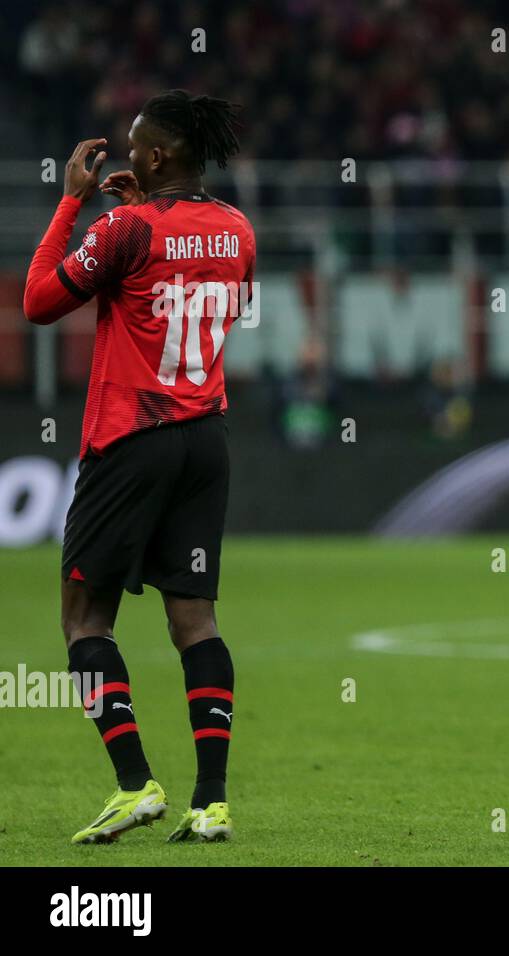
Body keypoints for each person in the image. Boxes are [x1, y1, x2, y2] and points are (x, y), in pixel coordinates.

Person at [23, 90, 256, 842]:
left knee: (84, 618)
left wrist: (74, 210)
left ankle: (134, 786)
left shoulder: (123, 228)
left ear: (156, 155)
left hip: (132, 439)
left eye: (133, 144)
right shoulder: (238, 227)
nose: (123, 153)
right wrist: (138, 221)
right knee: (195, 620)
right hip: (205, 441)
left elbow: (37, 302)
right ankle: (211, 802)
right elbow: (219, 296)